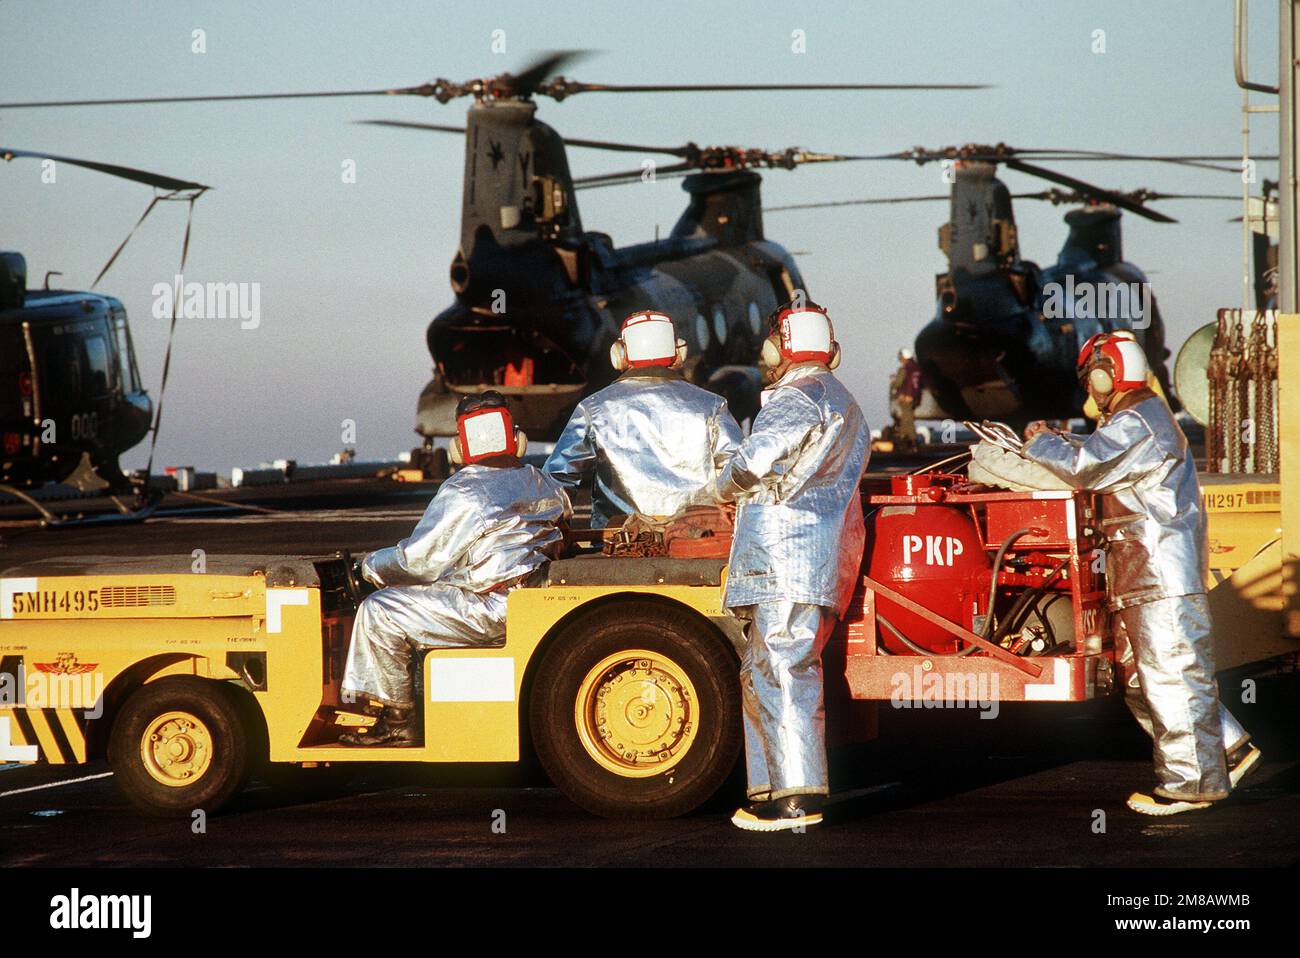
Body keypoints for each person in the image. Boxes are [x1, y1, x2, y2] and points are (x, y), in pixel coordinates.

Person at [1021, 332, 1261, 814]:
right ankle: (1226, 749)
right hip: (1141, 575)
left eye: (1092, 378)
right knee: (1140, 679)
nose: (1091, 390)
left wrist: (1043, 441)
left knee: (1171, 675)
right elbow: (1100, 456)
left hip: (1159, 575)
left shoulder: (1139, 419)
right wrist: (1060, 439)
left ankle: (1192, 782)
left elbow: (1086, 464)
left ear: (1110, 372)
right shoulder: (1135, 419)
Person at [715, 300, 870, 831]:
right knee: (765, 669)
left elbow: (755, 462)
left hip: (785, 560)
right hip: (821, 559)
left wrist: (720, 483)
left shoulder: (795, 397)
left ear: (784, 346)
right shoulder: (844, 401)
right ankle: (769, 788)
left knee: (781, 668)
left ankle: (797, 799)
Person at [339, 392, 571, 746]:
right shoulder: (540, 479)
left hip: (491, 610)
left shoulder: (465, 489)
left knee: (380, 610)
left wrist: (367, 569)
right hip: (535, 603)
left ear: (459, 448)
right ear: (517, 439)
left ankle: (398, 720)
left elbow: (417, 561)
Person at [545, 309, 743, 528]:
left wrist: (555, 527)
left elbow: (559, 476)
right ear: (679, 353)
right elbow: (739, 470)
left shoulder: (594, 407)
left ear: (619, 354)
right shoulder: (712, 405)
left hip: (619, 540)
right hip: (694, 536)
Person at [888, 346, 923, 448]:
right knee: (909, 418)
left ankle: (909, 440)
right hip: (915, 397)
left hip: (906, 397)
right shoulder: (917, 368)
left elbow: (898, 383)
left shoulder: (904, 368)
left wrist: (894, 381)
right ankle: (910, 441)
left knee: (906, 419)